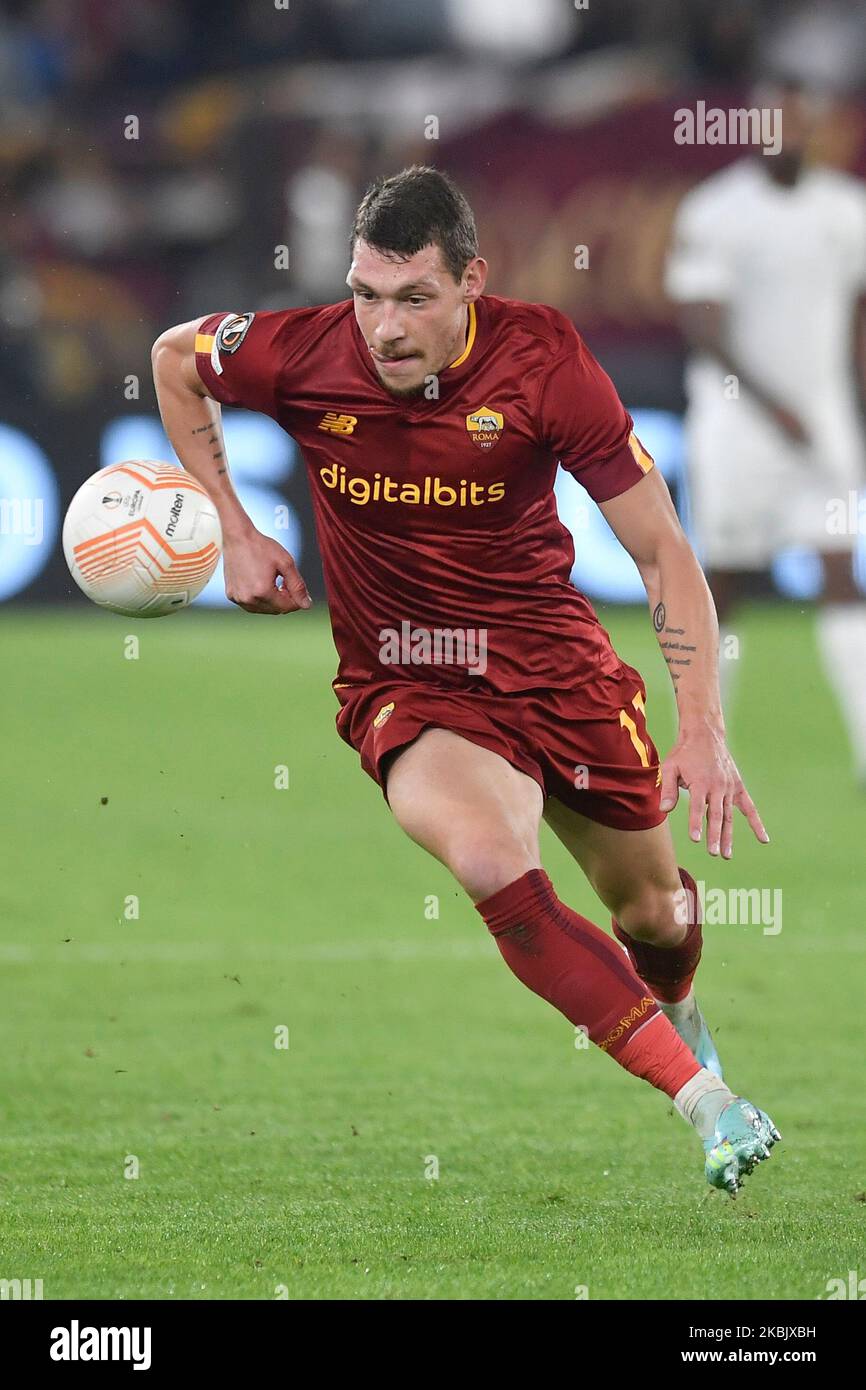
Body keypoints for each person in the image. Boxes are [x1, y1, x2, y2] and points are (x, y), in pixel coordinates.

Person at [152, 165, 779, 1194]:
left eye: (412, 299)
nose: (382, 328)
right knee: (492, 860)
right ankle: (706, 1102)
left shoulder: (543, 362)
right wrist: (232, 523)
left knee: (655, 916)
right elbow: (174, 357)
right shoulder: (302, 355)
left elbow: (662, 550)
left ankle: (679, 1012)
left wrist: (701, 725)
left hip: (555, 670)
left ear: (470, 283)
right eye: (364, 293)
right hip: (408, 684)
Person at [666, 83, 866, 776]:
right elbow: (702, 324)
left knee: (842, 573)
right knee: (723, 585)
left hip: (824, 428)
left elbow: (858, 314)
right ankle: (702, 746)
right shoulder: (717, 211)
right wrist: (775, 405)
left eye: (797, 119)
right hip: (738, 430)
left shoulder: (847, 209)